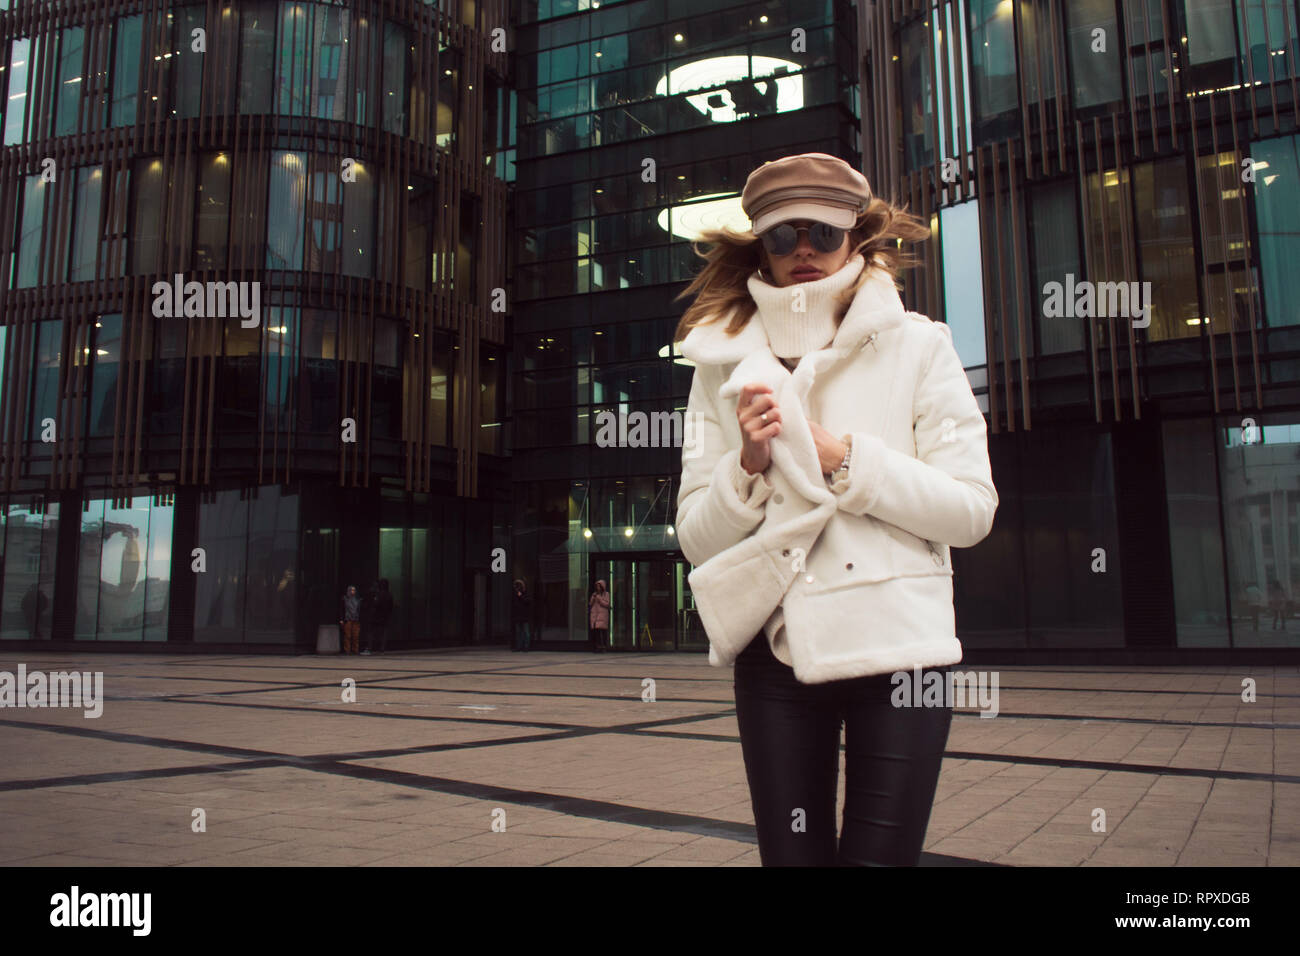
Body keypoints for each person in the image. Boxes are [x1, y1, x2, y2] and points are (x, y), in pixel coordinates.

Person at [673, 152, 998, 866]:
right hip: (775, 658)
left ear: (855, 234)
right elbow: (696, 538)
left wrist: (844, 459)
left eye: (822, 230)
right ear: (761, 244)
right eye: (783, 237)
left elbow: (972, 510)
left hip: (901, 656)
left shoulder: (919, 347)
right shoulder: (718, 369)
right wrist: (747, 470)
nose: (805, 252)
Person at [363, 579, 394, 655]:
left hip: (376, 616)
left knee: (371, 632)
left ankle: (370, 648)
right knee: (383, 633)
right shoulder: (389, 595)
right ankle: (382, 649)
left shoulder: (379, 594)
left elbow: (375, 604)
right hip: (385, 616)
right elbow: (391, 606)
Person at [511, 579, 533, 652]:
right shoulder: (515, 594)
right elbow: (514, 605)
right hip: (518, 616)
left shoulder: (525, 593)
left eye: (518, 586)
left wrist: (521, 596)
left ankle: (526, 647)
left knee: (526, 632)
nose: (517, 588)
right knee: (518, 632)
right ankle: (519, 646)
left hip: (524, 615)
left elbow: (528, 602)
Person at [339, 584, 361, 654]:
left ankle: (355, 650)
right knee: (347, 636)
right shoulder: (345, 599)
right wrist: (341, 619)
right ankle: (347, 650)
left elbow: (359, 610)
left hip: (356, 619)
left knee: (356, 636)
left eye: (354, 590)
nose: (353, 591)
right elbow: (342, 609)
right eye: (351, 590)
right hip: (348, 619)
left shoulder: (357, 600)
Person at [588, 580, 610, 652]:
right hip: (595, 615)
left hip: (602, 615)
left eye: (599, 586)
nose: (598, 588)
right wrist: (593, 597)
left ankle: (603, 647)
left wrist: (599, 599)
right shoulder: (594, 594)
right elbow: (590, 604)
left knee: (602, 632)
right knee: (596, 632)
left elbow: (607, 604)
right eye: (596, 586)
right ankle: (597, 647)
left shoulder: (606, 594)